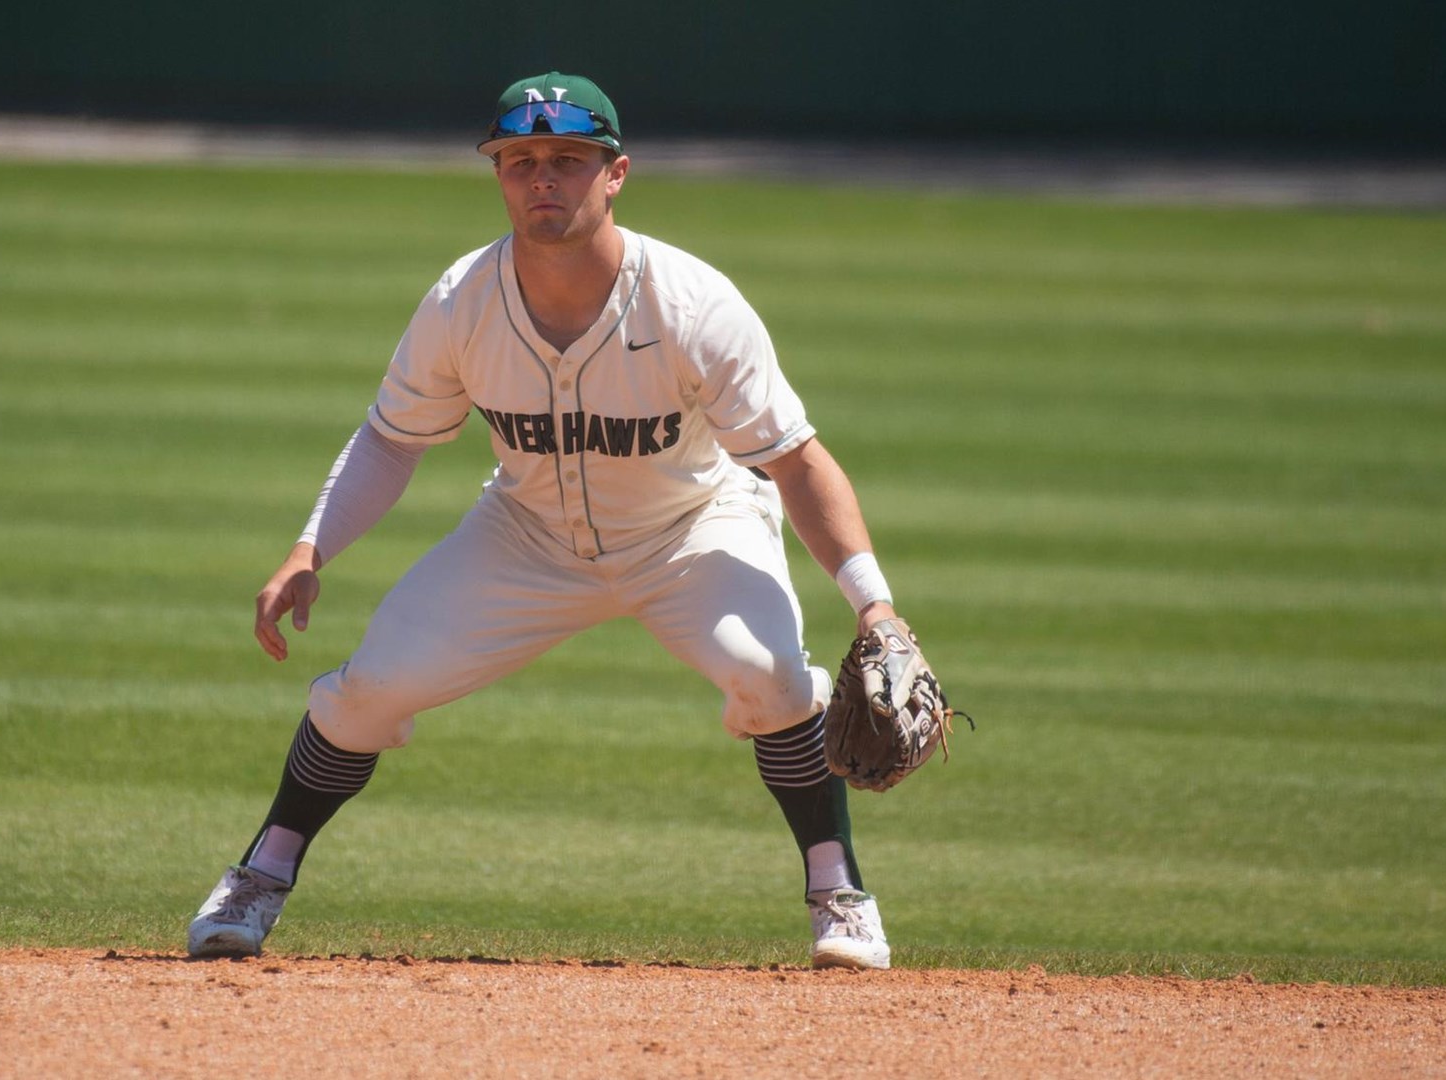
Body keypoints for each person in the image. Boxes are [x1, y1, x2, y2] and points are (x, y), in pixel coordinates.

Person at [187, 71, 920, 970]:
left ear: (616, 174)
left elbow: (797, 460)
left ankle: (838, 891)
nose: (543, 177)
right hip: (526, 536)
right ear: (498, 175)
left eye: (569, 159)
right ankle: (259, 876)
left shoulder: (692, 305)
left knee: (772, 678)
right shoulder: (462, 301)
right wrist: (311, 548)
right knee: (370, 688)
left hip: (693, 530)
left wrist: (874, 605)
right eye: (521, 159)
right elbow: (390, 440)